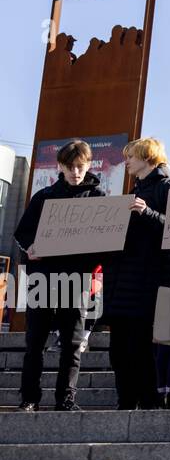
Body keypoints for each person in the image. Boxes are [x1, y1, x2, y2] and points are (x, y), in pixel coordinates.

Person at [14, 140, 104, 412]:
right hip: (43, 278)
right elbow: (22, 233)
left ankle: (66, 399)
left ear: (88, 165)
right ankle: (30, 398)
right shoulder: (44, 196)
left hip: (76, 281)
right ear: (61, 166)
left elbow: (105, 239)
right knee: (35, 343)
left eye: (81, 166)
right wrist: (31, 248)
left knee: (73, 345)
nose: (76, 172)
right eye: (70, 166)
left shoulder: (98, 198)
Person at [101, 138, 170, 410]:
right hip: (123, 282)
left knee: (140, 347)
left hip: (147, 282)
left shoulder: (166, 187)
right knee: (119, 349)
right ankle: (126, 398)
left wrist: (147, 213)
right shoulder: (136, 189)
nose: (127, 161)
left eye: (131, 156)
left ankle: (148, 400)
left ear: (148, 157)